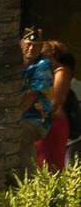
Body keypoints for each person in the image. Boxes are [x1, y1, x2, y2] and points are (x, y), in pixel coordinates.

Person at [20, 27, 53, 172]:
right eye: (28, 44)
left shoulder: (42, 65)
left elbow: (32, 95)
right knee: (24, 152)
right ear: (20, 43)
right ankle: (30, 185)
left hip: (36, 119)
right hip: (21, 118)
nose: (32, 48)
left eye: (36, 45)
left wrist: (12, 116)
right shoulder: (16, 64)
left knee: (12, 134)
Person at [37, 41, 74, 171]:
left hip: (54, 123)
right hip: (42, 122)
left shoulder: (61, 72)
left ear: (50, 55)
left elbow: (57, 101)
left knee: (52, 164)